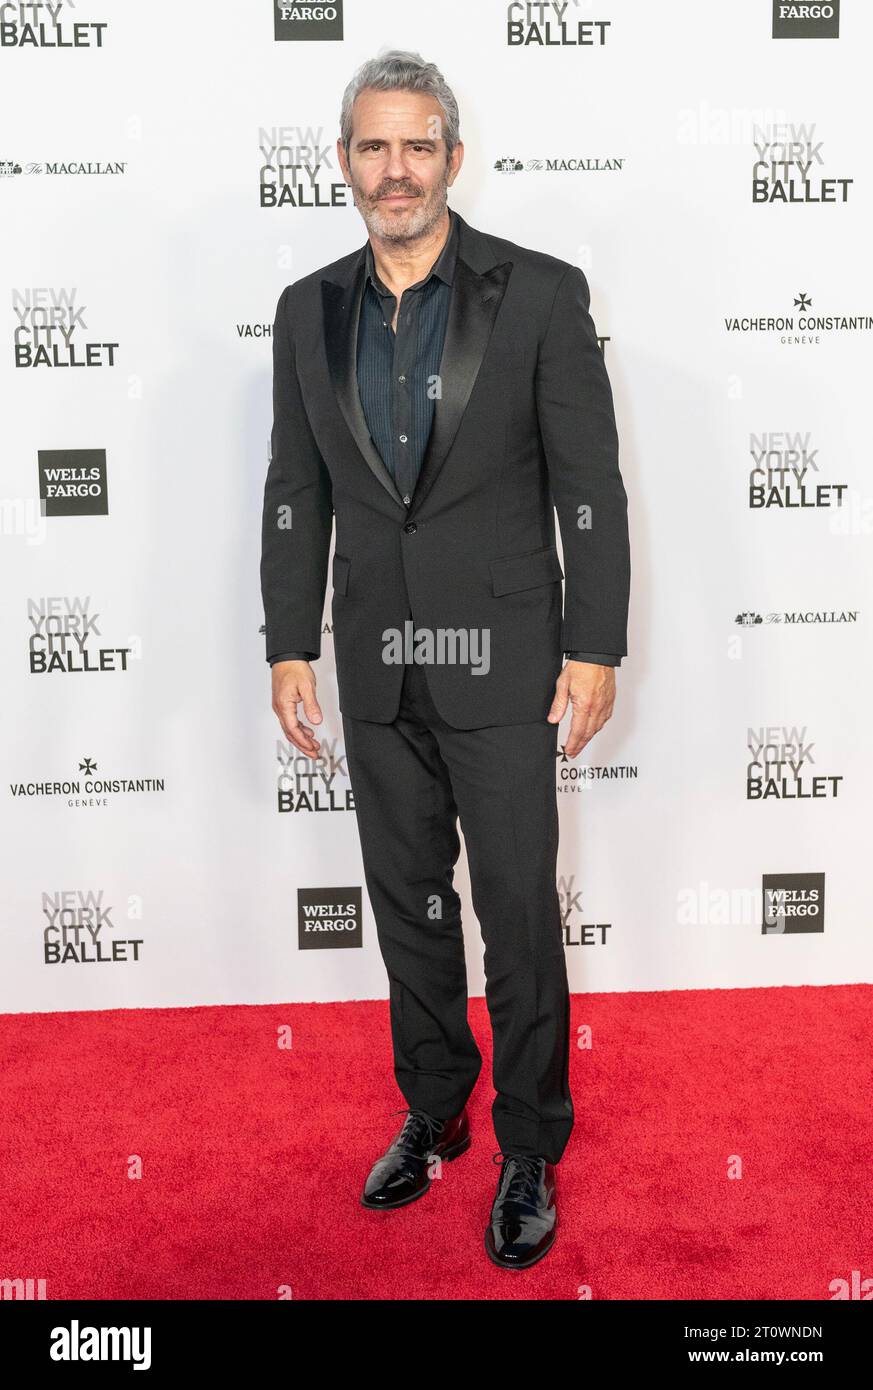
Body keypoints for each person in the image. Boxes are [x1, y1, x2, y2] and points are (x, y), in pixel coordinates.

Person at [260, 48, 630, 1270]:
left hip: (506, 662)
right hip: (375, 663)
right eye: (374, 146)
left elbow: (589, 489)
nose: (396, 169)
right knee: (409, 908)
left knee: (516, 911)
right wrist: (287, 641)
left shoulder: (539, 294)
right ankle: (434, 1110)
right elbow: (296, 487)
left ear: (453, 158)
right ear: (343, 162)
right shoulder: (306, 309)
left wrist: (594, 645)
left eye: (418, 145)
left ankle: (529, 1142)